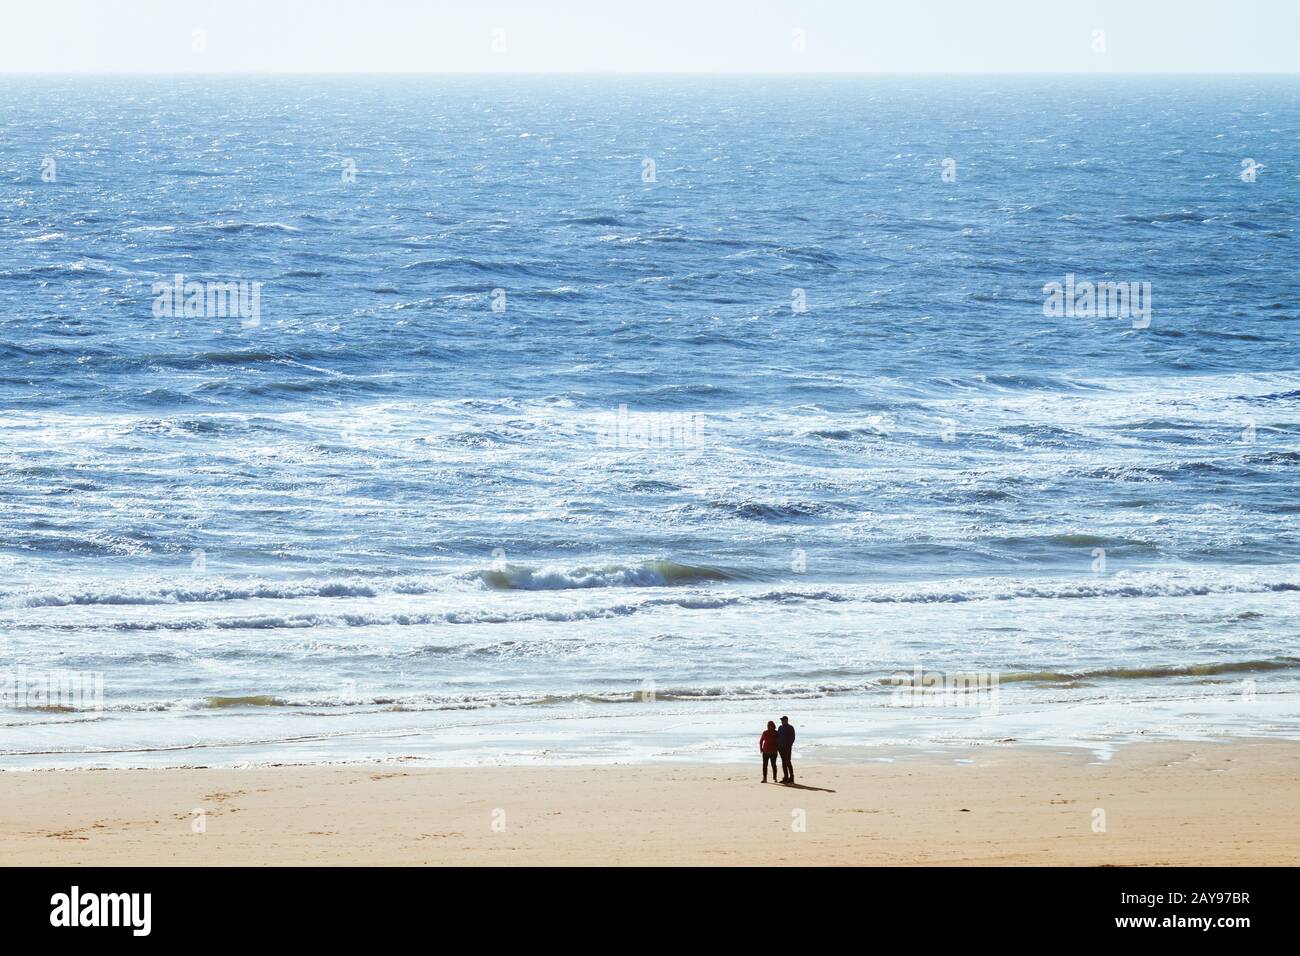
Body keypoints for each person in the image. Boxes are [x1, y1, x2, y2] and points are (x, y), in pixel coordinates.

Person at [776, 715, 796, 783]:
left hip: (787, 748)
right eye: (781, 720)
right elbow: (777, 736)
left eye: (783, 720)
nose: (782, 721)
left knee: (788, 762)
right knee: (783, 763)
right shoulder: (780, 727)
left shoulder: (790, 728)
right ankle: (786, 777)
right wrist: (777, 746)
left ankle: (791, 777)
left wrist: (789, 745)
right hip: (780, 748)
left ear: (786, 720)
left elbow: (792, 738)